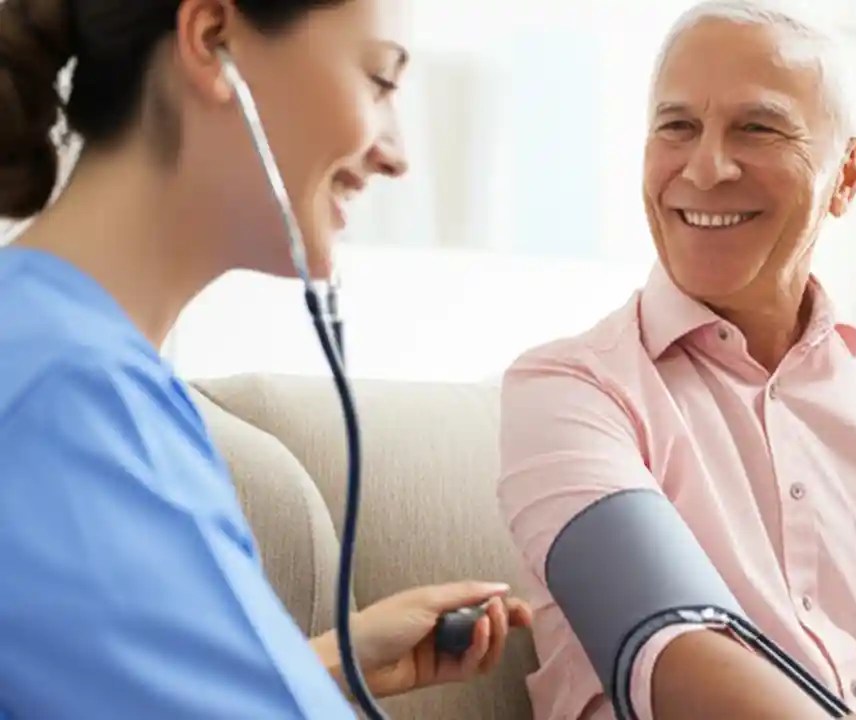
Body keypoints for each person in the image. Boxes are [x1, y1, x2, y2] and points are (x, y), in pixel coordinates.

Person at [496, 2, 856, 719]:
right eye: (677, 127)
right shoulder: (570, 393)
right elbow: (671, 654)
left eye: (756, 128)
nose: (706, 166)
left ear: (845, 177)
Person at [0, 0, 531, 717]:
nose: (397, 154)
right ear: (213, 39)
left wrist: (311, 669)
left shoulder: (65, 366)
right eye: (378, 80)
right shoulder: (68, 403)